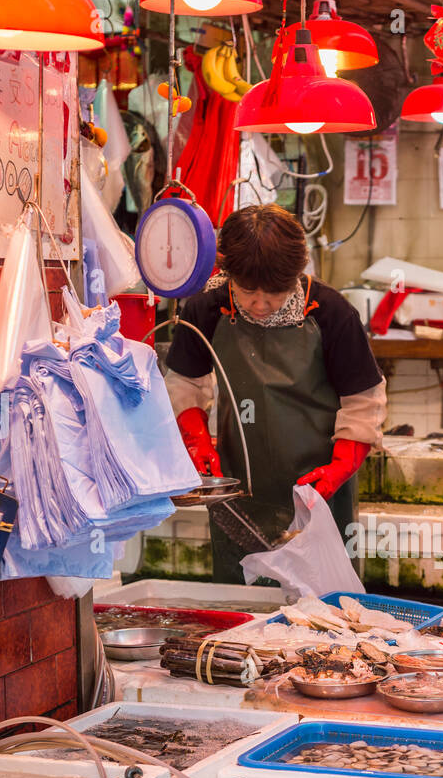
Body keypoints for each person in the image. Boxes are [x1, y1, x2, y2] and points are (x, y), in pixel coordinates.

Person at [164, 203, 386, 581]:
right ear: (227, 272)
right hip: (238, 499)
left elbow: (363, 403)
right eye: (249, 291)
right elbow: (184, 385)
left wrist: (336, 471)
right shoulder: (205, 309)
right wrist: (198, 445)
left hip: (320, 498)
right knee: (238, 617)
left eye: (276, 292)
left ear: (296, 275)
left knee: (328, 615)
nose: (261, 304)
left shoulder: (332, 313)